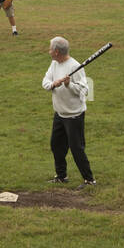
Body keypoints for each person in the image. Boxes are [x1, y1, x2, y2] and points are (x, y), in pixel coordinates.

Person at [42, 37, 95, 186]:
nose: (49, 51)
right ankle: (61, 176)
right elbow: (45, 82)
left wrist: (68, 84)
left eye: (50, 49)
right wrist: (53, 84)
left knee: (76, 148)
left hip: (74, 116)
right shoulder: (54, 64)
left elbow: (85, 90)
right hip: (59, 113)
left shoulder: (75, 67)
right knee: (56, 145)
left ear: (57, 52)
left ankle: (89, 180)